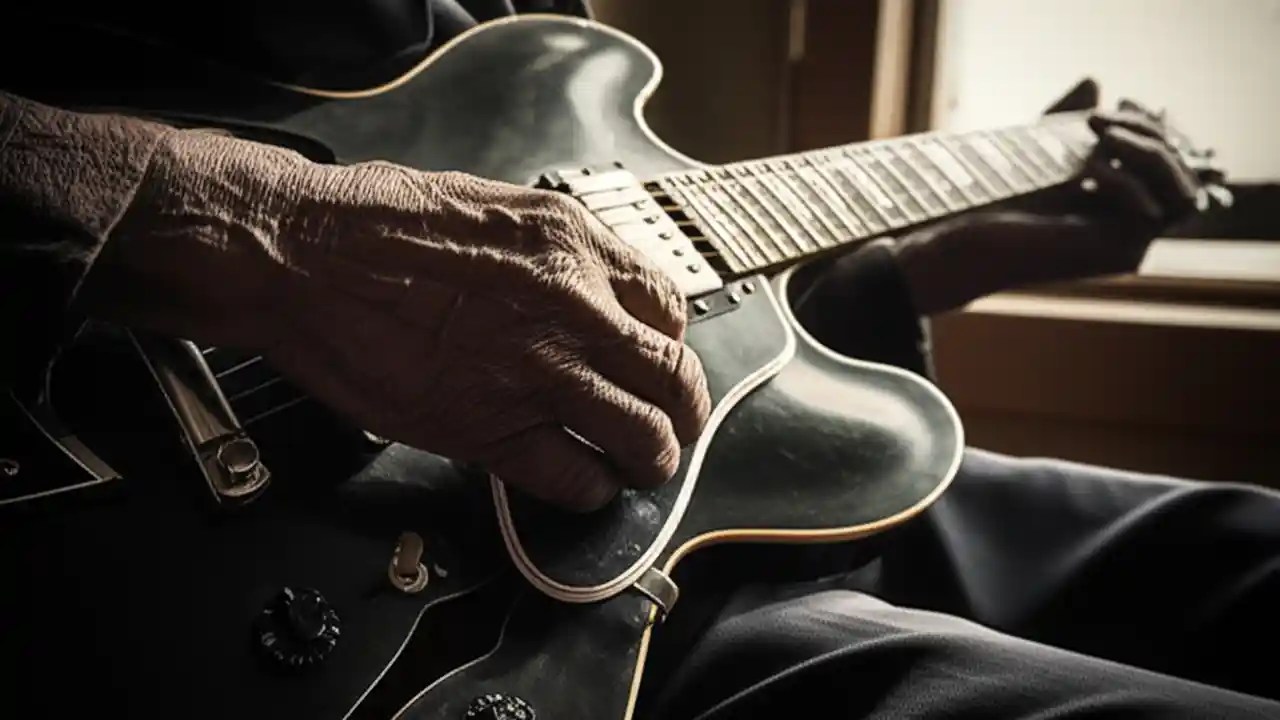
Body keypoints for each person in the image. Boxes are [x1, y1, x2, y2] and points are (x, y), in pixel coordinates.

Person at [2, 2, 1277, 718]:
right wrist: (252, 228)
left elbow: (601, 269)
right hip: (463, 621)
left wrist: (945, 262)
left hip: (675, 486)